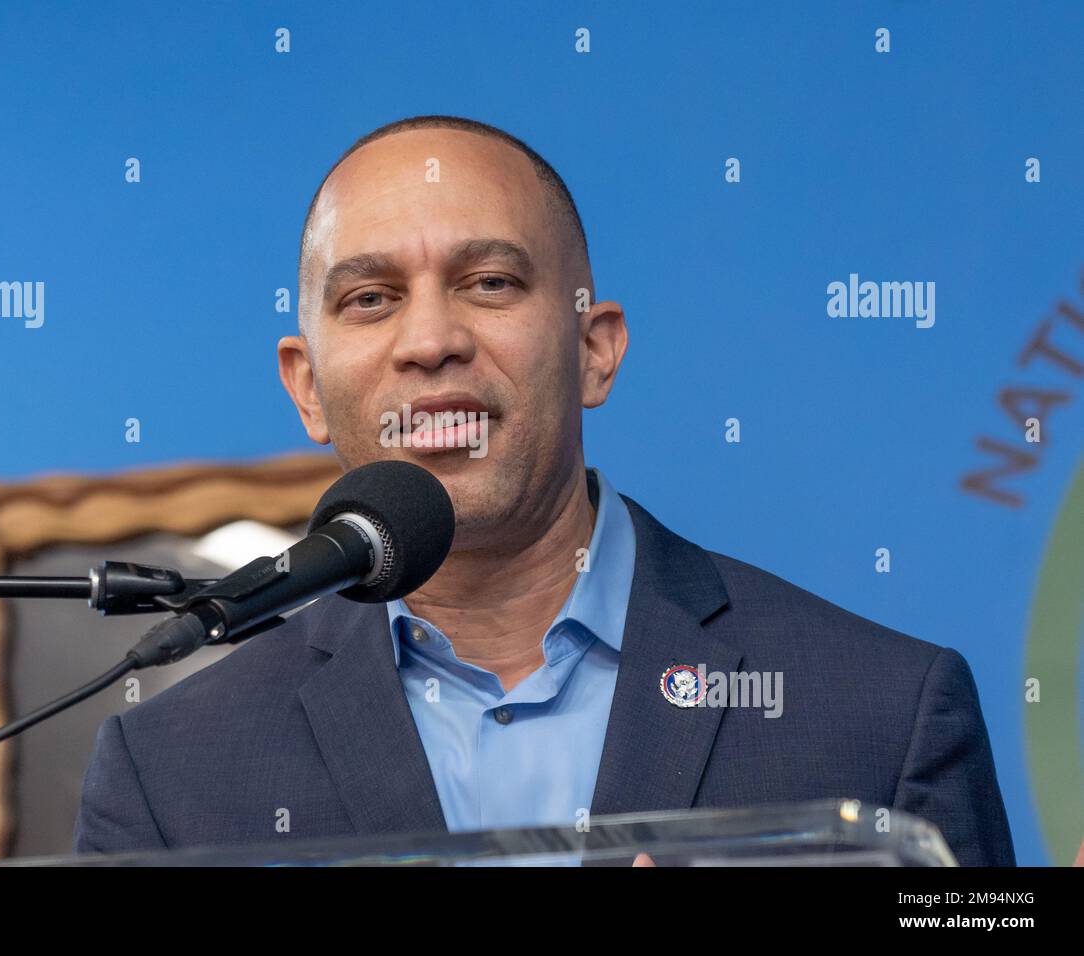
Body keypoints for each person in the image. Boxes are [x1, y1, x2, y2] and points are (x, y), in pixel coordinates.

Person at [73, 115, 1015, 866]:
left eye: (489, 282)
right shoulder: (168, 776)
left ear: (594, 349)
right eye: (371, 298)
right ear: (308, 387)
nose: (430, 339)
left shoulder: (883, 715)